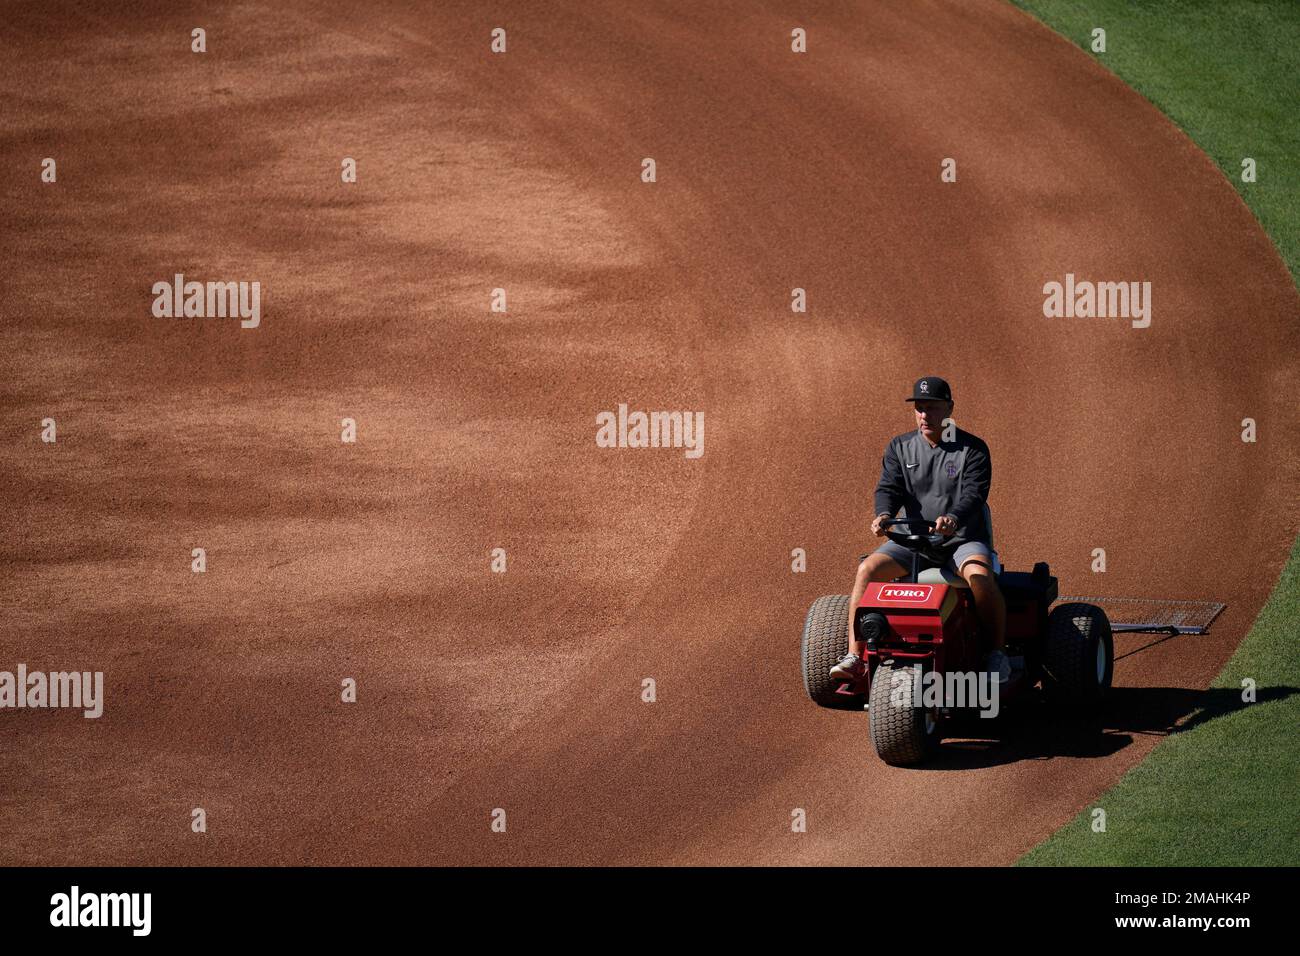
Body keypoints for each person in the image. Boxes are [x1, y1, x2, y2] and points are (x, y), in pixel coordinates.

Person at [829, 376, 1010, 683]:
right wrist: (883, 514)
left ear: (949, 408)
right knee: (867, 570)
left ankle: (996, 653)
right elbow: (888, 488)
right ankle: (856, 657)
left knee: (979, 577)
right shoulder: (900, 447)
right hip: (914, 542)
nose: (924, 415)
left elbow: (974, 494)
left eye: (932, 408)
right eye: (919, 408)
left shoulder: (973, 449)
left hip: (960, 540)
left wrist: (953, 518)